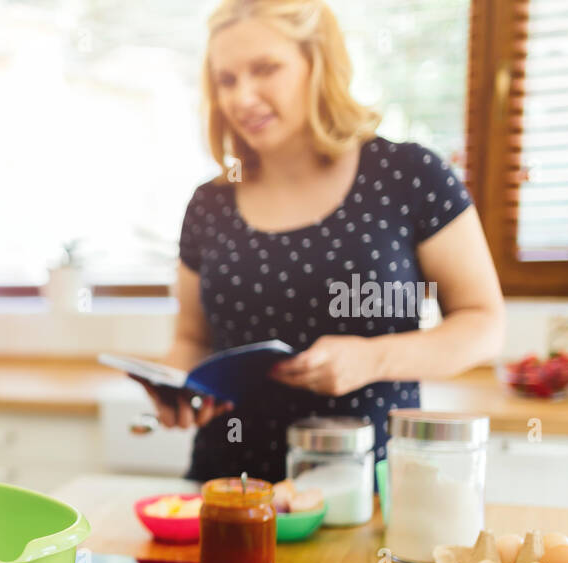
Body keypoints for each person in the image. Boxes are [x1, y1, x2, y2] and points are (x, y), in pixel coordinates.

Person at [141, 0, 504, 483]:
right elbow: (191, 339)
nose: (243, 97)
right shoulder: (209, 203)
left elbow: (484, 325)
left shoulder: (410, 176)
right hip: (229, 489)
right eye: (226, 80)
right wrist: (179, 389)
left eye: (265, 69)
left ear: (319, 64)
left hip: (365, 490)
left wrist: (372, 358)